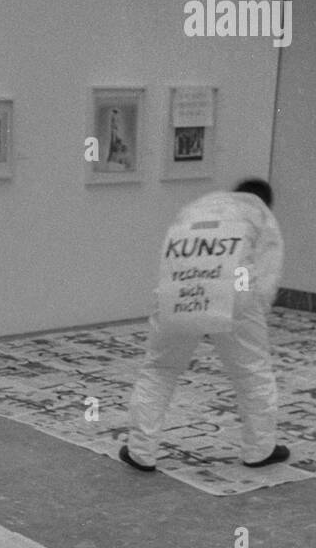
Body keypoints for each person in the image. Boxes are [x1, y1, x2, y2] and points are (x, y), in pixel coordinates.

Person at [121, 179, 285, 471]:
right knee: (252, 373)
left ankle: (140, 451)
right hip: (235, 289)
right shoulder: (261, 215)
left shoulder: (196, 207)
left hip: (179, 290)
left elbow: (168, 258)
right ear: (265, 200)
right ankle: (259, 450)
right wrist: (253, 314)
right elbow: (267, 271)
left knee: (160, 369)